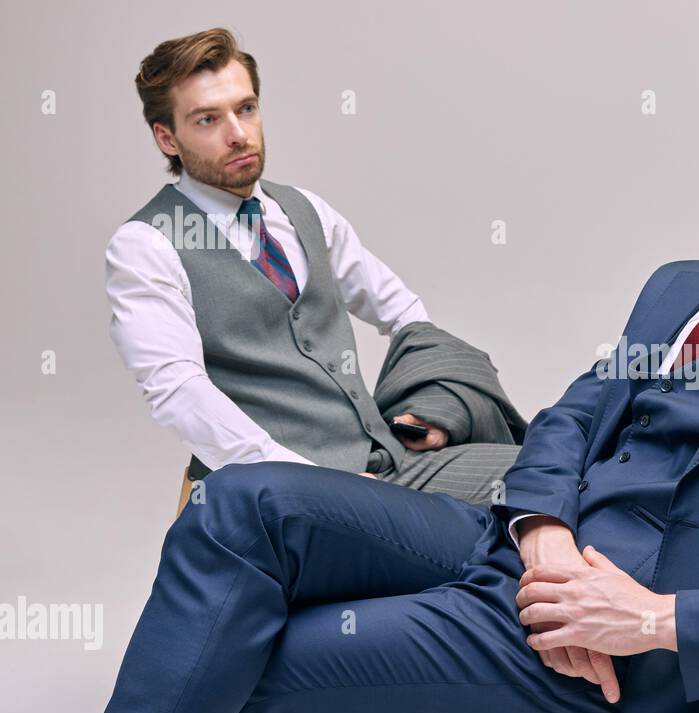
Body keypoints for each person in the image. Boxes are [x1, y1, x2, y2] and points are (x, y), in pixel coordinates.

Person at [98, 18, 699, 713]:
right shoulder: (683, 287)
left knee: (242, 660)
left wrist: (651, 620)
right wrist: (543, 535)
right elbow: (567, 418)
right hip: (513, 552)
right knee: (241, 501)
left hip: (629, 655)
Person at [105, 28, 524, 506]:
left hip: (390, 468)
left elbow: (404, 312)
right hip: (282, 496)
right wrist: (315, 487)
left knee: (554, 471)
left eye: (246, 108)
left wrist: (430, 408)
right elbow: (178, 392)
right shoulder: (145, 246)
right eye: (207, 119)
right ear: (167, 138)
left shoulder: (305, 211)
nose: (238, 133)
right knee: (521, 509)